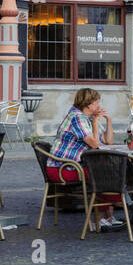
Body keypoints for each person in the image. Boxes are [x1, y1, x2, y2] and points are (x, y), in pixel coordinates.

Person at [46, 87, 120, 229]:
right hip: (61, 168)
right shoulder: (77, 118)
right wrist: (95, 121)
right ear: (88, 104)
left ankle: (107, 216)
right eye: (96, 102)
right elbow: (94, 143)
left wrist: (108, 120)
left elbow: (108, 141)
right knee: (101, 175)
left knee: (104, 171)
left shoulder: (87, 118)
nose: (99, 106)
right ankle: (103, 218)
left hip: (72, 165)